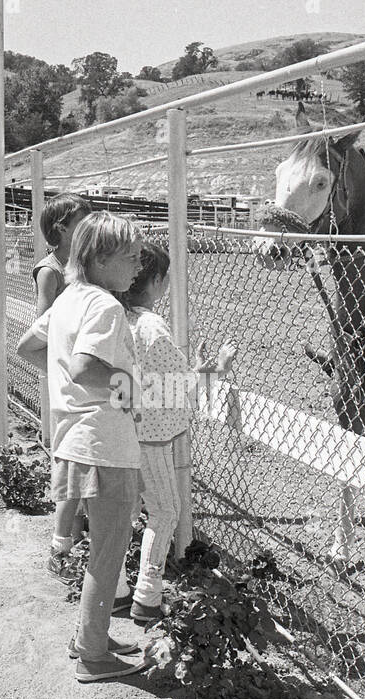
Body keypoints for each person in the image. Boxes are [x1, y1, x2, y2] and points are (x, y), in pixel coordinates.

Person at [16, 212, 150, 683]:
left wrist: (67, 395)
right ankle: (94, 656)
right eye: (130, 256)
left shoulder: (70, 297)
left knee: (101, 545)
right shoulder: (107, 307)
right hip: (105, 444)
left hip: (73, 439)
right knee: (109, 551)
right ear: (98, 258)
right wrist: (134, 390)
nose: (139, 265)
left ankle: (89, 635)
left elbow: (29, 348)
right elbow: (85, 368)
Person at [116, 241, 236, 622]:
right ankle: (147, 596)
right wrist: (217, 367)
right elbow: (178, 383)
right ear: (155, 281)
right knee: (166, 510)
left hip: (123, 430)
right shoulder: (151, 324)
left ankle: (116, 587)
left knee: (127, 511)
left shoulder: (118, 316)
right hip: (151, 435)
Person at [30, 193, 93, 582]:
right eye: (83, 219)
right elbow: (42, 327)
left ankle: (79, 527)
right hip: (66, 377)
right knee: (69, 458)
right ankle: (61, 542)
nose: (90, 224)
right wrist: (64, 369)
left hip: (84, 374)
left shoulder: (83, 263)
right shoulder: (51, 270)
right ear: (61, 228)